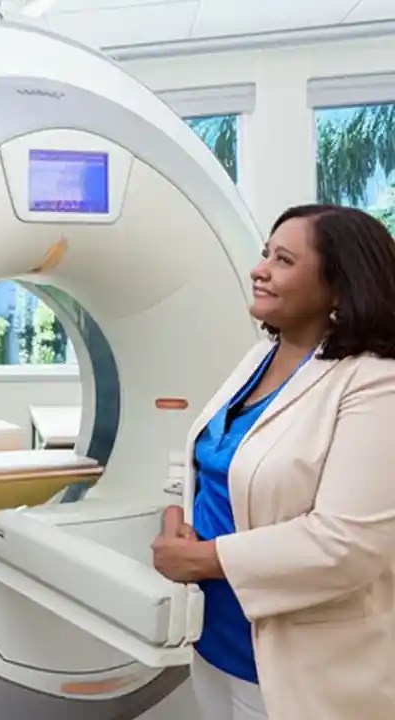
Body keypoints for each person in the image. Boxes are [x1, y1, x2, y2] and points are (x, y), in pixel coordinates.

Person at [151, 203, 395, 720]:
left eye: (283, 260)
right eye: (266, 254)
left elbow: (348, 543)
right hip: (217, 642)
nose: (259, 269)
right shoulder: (261, 357)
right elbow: (220, 469)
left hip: (299, 665)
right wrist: (181, 524)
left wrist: (203, 560)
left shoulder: (376, 384)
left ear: (339, 287)